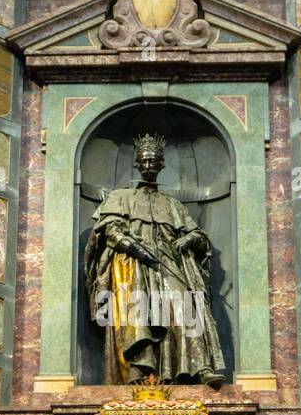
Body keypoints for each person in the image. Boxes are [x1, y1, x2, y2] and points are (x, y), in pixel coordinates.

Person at [83, 132, 226, 387]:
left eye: (153, 161)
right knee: (138, 308)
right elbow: (110, 230)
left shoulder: (172, 204)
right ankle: (138, 372)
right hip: (133, 265)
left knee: (185, 304)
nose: (149, 165)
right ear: (137, 163)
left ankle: (199, 368)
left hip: (170, 262)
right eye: (144, 161)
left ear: (161, 165)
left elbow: (197, 235)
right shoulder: (120, 197)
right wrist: (136, 249)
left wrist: (189, 239)